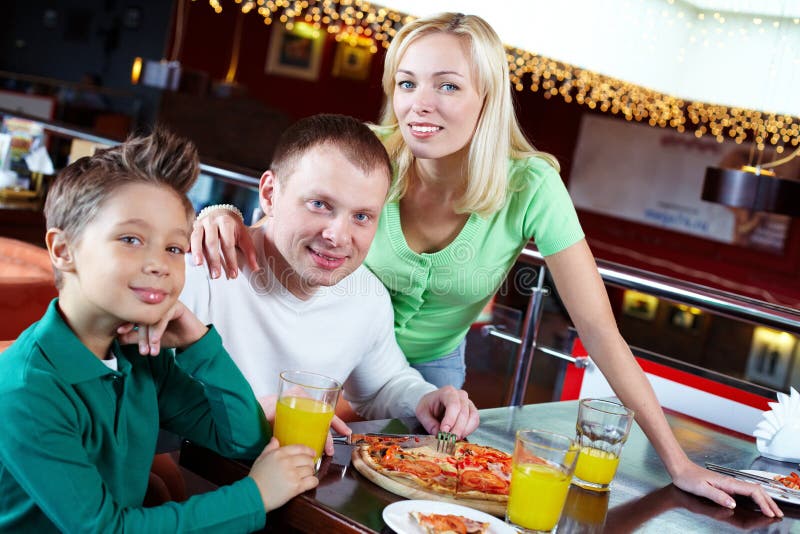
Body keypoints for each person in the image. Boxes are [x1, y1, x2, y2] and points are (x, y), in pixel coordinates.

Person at [190, 14, 781, 516]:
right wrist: (218, 211)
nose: (420, 104)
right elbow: (292, 199)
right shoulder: (369, 154)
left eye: (447, 86)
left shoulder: (532, 187)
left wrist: (677, 464)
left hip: (416, 365)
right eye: (407, 82)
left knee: (421, 500)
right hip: (322, 337)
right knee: (296, 472)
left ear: (487, 98)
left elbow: (599, 331)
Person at [0, 129, 319, 532]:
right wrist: (255, 495)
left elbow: (243, 439)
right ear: (63, 251)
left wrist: (199, 344)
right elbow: (104, 530)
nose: (160, 264)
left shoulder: (139, 356)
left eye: (173, 248)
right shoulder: (25, 389)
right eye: (131, 239)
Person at [181, 114, 479, 448]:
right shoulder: (200, 269)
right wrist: (244, 413)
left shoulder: (367, 295)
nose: (337, 236)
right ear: (269, 194)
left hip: (296, 485)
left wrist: (426, 398)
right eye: (320, 205)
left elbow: (383, 385)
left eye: (362, 217)